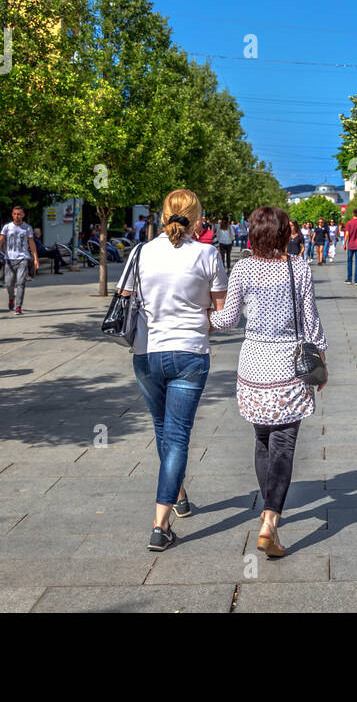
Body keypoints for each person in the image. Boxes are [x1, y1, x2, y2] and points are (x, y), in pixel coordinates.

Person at [210, 206, 327, 559]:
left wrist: (200, 313)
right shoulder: (299, 268)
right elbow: (311, 323)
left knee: (262, 440)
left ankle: (267, 510)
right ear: (284, 234)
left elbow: (228, 320)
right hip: (288, 367)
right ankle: (270, 521)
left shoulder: (243, 268)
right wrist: (321, 359)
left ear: (253, 233)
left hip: (254, 366)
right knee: (284, 445)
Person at [118, 188, 226, 552]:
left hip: (146, 352)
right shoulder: (208, 254)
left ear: (163, 215)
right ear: (197, 218)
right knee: (177, 435)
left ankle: (178, 495)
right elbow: (220, 313)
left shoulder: (141, 252)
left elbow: (125, 299)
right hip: (189, 353)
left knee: (163, 429)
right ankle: (160, 525)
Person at [0, 206, 39, 314]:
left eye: (19, 214)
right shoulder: (7, 227)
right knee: (9, 283)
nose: (17, 216)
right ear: (12, 214)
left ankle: (18, 307)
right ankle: (11, 297)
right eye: (14, 214)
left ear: (23, 215)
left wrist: (35, 258)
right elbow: (0, 240)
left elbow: (31, 243)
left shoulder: (27, 228)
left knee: (20, 283)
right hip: (9, 259)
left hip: (23, 258)